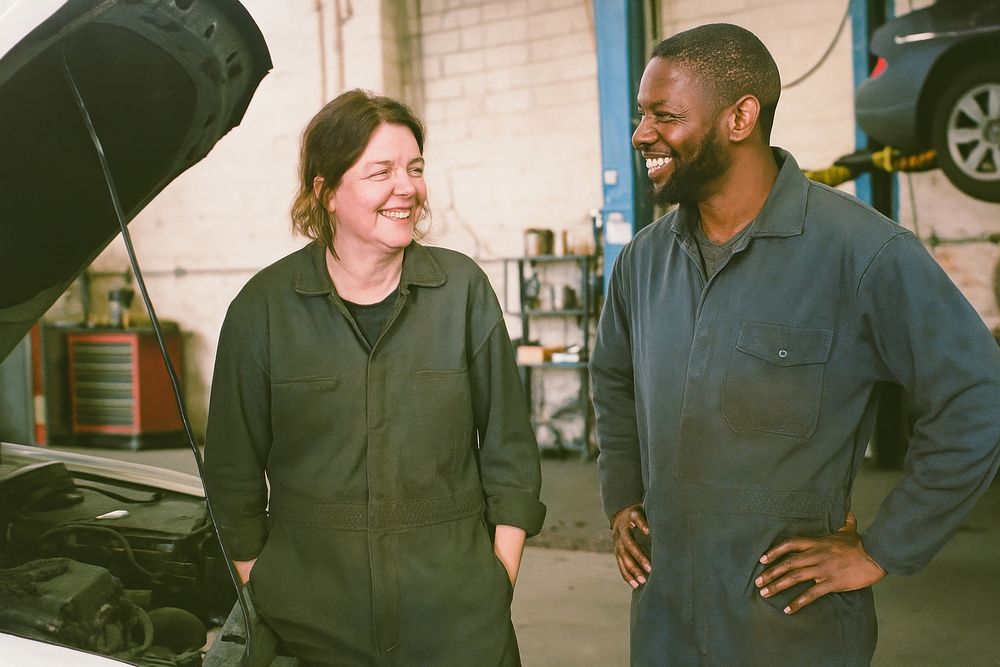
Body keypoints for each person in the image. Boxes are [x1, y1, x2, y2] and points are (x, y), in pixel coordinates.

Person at [590, 23, 1000, 665]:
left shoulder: (862, 255)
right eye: (642, 115)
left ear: (740, 117)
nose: (642, 134)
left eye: (664, 116)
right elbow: (612, 379)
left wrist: (884, 547)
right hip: (665, 622)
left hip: (788, 629)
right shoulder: (644, 262)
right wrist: (622, 499)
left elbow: (979, 396)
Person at [203, 89, 545, 666]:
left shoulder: (461, 292)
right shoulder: (262, 309)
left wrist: (496, 582)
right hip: (309, 629)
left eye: (414, 168)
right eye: (379, 171)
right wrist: (268, 583)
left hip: (460, 624)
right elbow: (231, 474)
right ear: (325, 191)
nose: (406, 188)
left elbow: (510, 451)